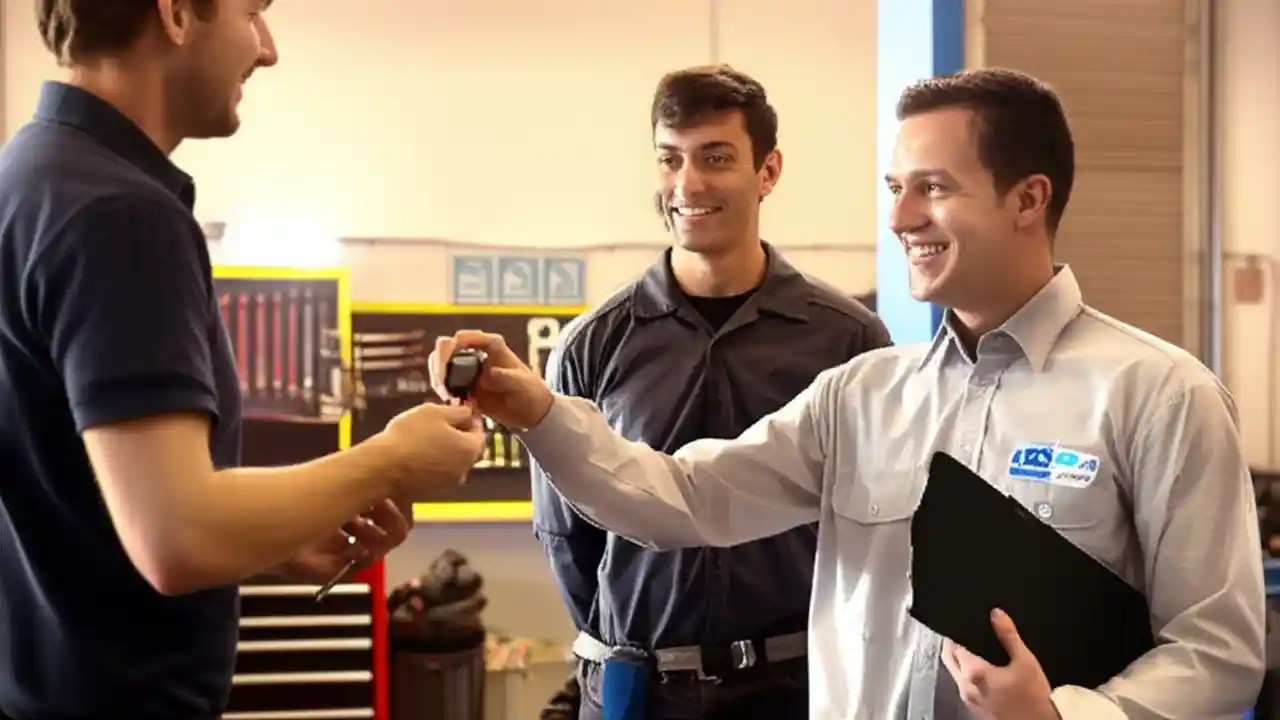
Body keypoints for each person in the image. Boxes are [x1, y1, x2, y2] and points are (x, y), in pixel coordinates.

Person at [432, 67, 1267, 719]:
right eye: (893, 188)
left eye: (933, 187)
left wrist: (1066, 715)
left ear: (1029, 199)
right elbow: (683, 500)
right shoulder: (861, 394)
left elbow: (1217, 651)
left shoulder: (1158, 396)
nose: (901, 217)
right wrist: (537, 410)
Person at [0, 2, 484, 718]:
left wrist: (272, 540)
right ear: (174, 13)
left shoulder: (30, 173)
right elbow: (178, 536)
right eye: (253, 12)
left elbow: (84, 497)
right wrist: (390, 459)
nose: (267, 49)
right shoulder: (118, 212)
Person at [531, 64, 890, 720]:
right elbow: (565, 540)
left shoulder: (849, 340)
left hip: (796, 691)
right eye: (670, 160)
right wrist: (638, 643)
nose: (687, 184)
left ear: (769, 172)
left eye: (715, 158)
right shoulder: (593, 345)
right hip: (639, 692)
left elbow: (875, 528)